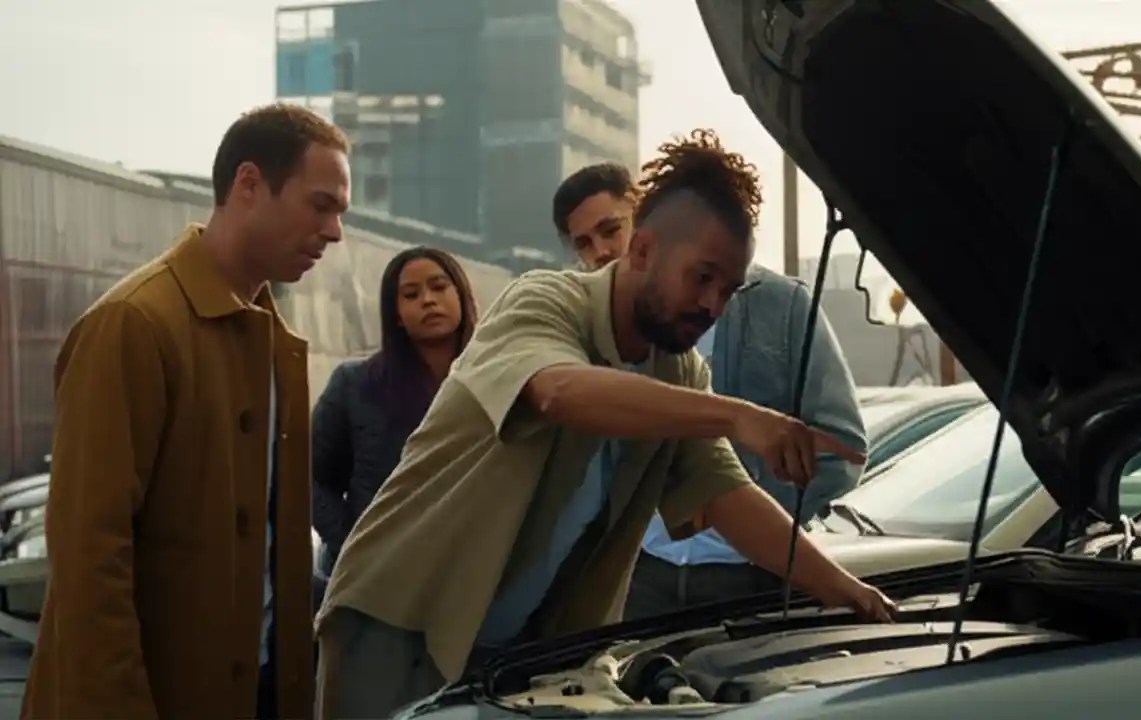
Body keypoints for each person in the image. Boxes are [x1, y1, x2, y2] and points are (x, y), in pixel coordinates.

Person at [314, 128, 894, 719]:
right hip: (405, 620)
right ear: (642, 252)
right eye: (701, 277)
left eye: (728, 289)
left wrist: (850, 593)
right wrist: (741, 416)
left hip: (527, 649)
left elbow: (726, 495)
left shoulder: (680, 371)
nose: (714, 305)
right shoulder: (542, 301)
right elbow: (558, 391)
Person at [22, 103, 350, 720]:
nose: (334, 232)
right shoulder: (136, 324)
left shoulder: (270, 339)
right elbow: (89, 557)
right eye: (321, 205)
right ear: (248, 184)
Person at [553, 162, 866, 619]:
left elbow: (841, 448)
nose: (601, 251)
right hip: (641, 572)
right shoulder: (583, 321)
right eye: (584, 243)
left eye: (610, 230)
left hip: (748, 573)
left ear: (646, 222)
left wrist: (754, 522)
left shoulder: (781, 304)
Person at [311, 247, 478, 602]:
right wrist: (355, 540)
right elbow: (308, 478)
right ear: (397, 314)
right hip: (375, 581)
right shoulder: (356, 384)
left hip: (472, 575)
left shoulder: (493, 380)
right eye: (411, 295)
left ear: (461, 295)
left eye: (439, 287)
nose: (428, 301)